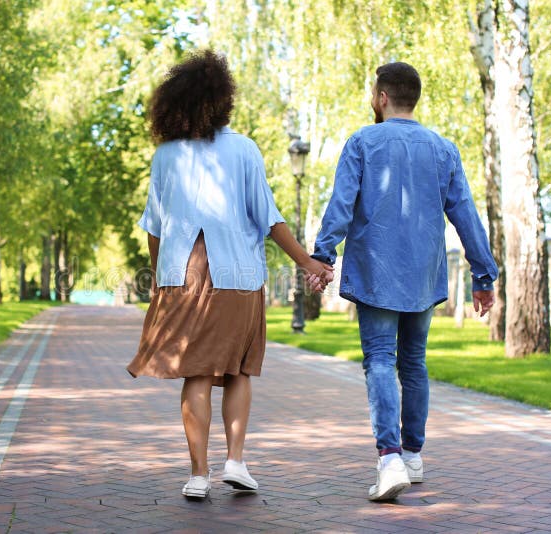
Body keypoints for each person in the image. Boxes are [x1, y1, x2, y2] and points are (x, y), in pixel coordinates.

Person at [127, 50, 333, 499]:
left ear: (175, 103)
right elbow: (269, 218)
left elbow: (154, 228)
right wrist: (307, 262)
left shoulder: (165, 156)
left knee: (196, 373)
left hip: (182, 275)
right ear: (223, 99)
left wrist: (160, 283)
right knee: (239, 370)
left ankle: (198, 474)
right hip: (237, 273)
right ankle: (235, 462)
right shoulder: (242, 149)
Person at [307, 62, 498, 501]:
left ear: (380, 97)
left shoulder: (362, 142)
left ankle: (390, 457)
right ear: (414, 98)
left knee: (379, 358)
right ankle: (412, 454)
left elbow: (341, 204)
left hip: (376, 269)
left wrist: (322, 254)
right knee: (413, 362)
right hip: (423, 273)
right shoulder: (443, 149)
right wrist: (483, 276)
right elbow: (465, 215)